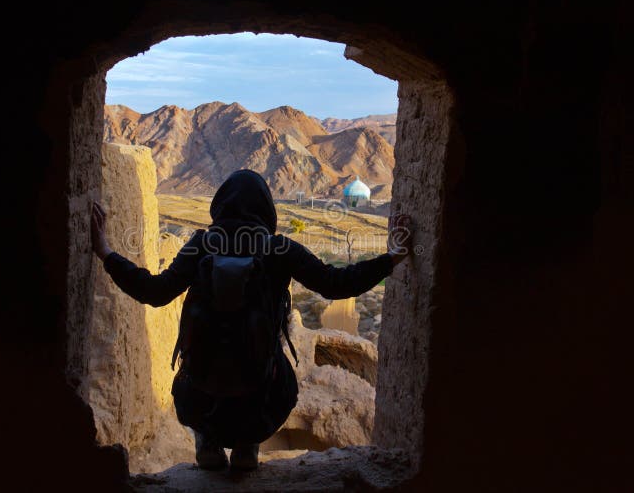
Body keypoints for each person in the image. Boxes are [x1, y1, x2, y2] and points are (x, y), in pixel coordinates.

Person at [91, 169, 409, 471]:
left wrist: (105, 251)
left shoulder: (201, 244)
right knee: (283, 372)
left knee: (188, 376)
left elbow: (155, 292)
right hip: (260, 401)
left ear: (220, 206)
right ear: (267, 210)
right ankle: (248, 443)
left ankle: (208, 439)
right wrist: (392, 256)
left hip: (200, 399)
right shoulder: (279, 248)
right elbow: (336, 283)